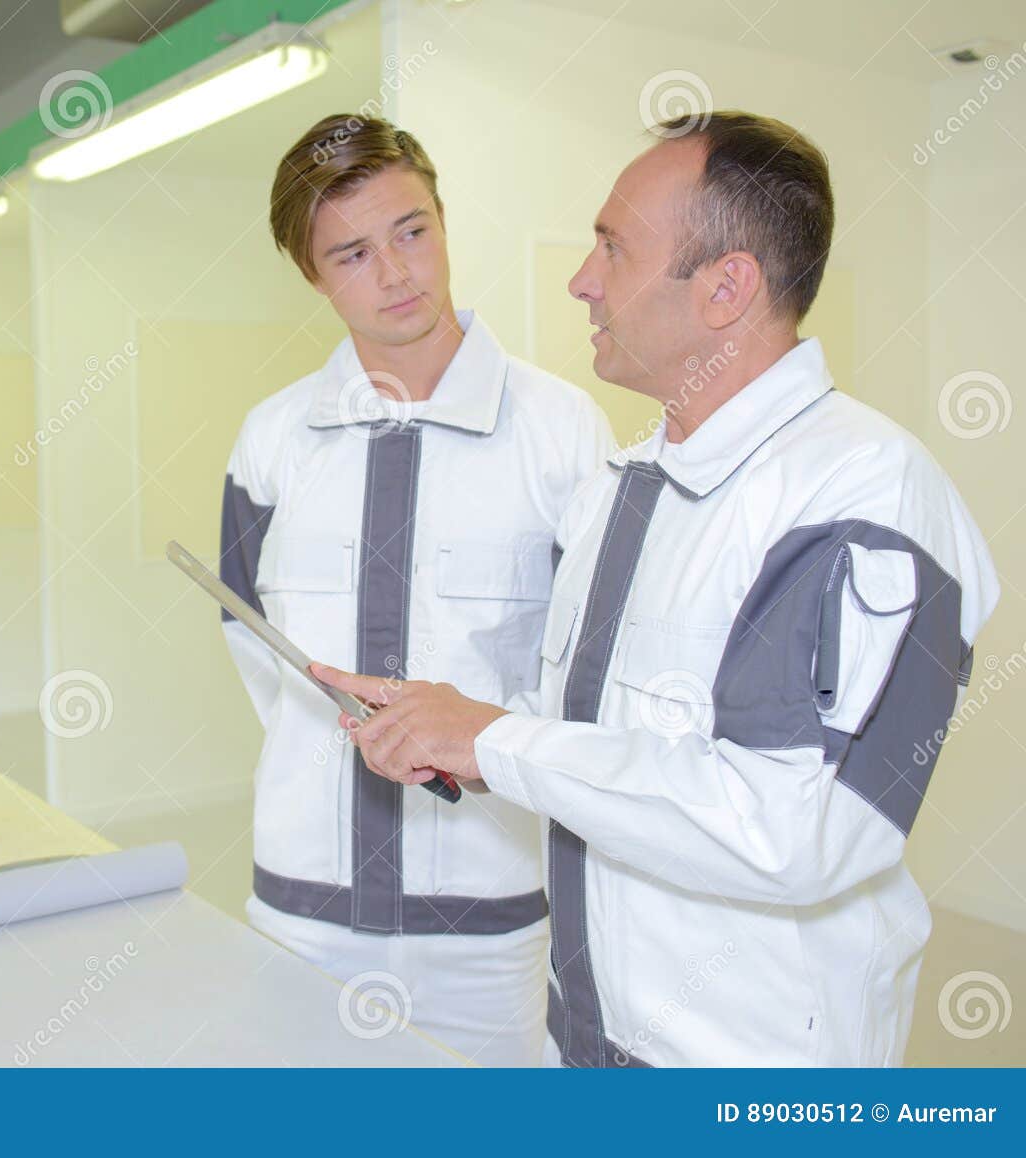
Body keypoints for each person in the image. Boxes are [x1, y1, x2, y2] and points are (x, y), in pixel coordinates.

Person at [316, 112, 998, 1066]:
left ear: (726, 288)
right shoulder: (625, 485)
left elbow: (796, 828)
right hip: (586, 1040)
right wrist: (459, 731)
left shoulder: (863, 494)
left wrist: (495, 740)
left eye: (613, 248)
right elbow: (603, 741)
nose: (581, 280)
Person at [219, 114, 611, 1062]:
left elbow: (587, 669)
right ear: (312, 275)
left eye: (412, 231)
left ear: (442, 220)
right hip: (301, 907)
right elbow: (253, 648)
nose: (396, 274)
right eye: (352, 253)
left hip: (488, 907)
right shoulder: (272, 441)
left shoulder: (562, 432)